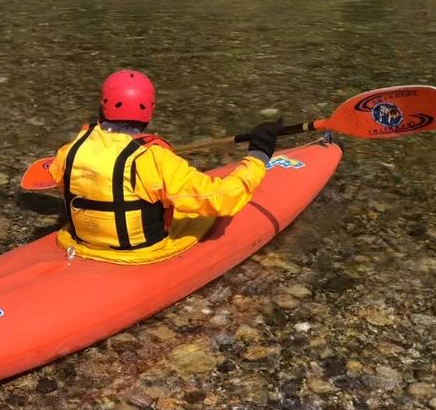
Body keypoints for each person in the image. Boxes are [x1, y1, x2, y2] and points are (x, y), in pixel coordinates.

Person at [47, 69, 283, 264]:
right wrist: (258, 155)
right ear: (149, 110)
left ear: (103, 105)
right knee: (186, 206)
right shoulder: (155, 159)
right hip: (140, 252)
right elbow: (221, 199)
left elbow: (60, 180)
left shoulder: (71, 150)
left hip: (81, 242)